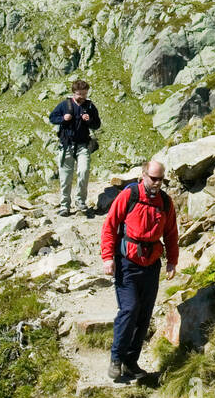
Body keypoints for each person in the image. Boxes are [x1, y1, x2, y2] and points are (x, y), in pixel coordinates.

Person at [101, 160, 178, 382]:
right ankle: (116, 358)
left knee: (144, 315)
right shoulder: (129, 196)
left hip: (151, 264)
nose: (156, 183)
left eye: (160, 179)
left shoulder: (165, 202)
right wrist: (108, 257)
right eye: (153, 178)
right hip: (127, 262)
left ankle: (131, 361)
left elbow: (171, 233)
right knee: (129, 309)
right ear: (143, 175)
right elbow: (110, 226)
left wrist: (172, 261)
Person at [48, 79, 101, 217]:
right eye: (79, 94)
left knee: (83, 171)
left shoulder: (90, 106)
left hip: (83, 145)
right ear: (73, 93)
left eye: (84, 94)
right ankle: (65, 205)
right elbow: (52, 117)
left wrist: (89, 120)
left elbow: (97, 125)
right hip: (66, 145)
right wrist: (63, 119)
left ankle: (80, 201)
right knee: (65, 177)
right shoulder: (65, 105)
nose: (82, 97)